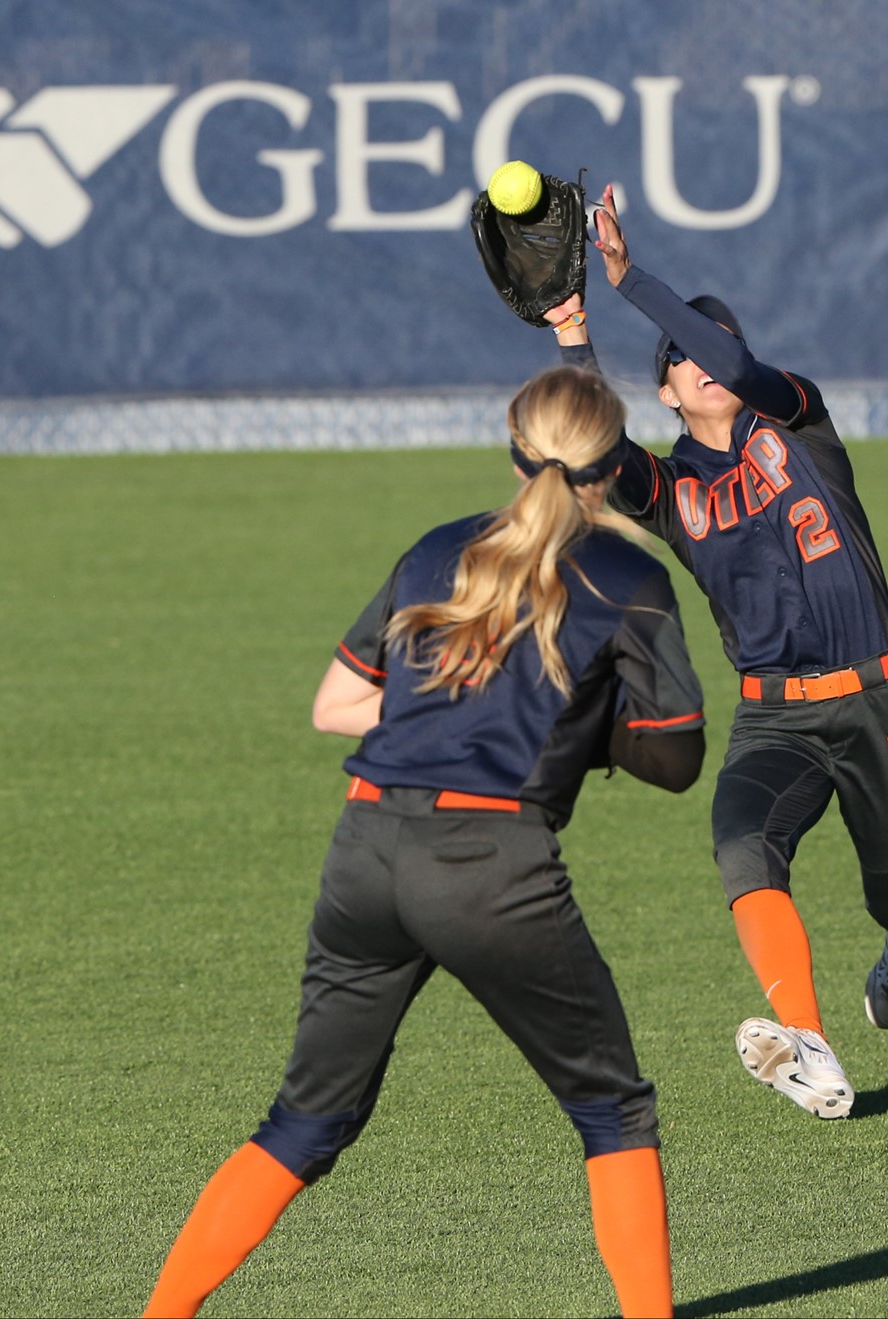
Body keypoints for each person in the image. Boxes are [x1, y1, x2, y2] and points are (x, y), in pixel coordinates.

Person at [143, 366, 707, 1319]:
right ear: (615, 462)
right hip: (491, 869)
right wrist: (583, 724)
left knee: (306, 1121)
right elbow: (676, 757)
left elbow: (338, 703)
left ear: (512, 445)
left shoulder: (435, 551)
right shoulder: (630, 577)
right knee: (613, 1111)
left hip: (364, 847)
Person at [540, 187, 888, 1121]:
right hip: (777, 713)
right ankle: (806, 1038)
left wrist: (630, 279)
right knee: (741, 844)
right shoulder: (671, 487)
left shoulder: (797, 423)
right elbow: (590, 445)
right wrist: (572, 327)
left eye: (712, 345)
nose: (703, 361)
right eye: (680, 357)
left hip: (883, 699)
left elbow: (732, 354)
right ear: (668, 393)